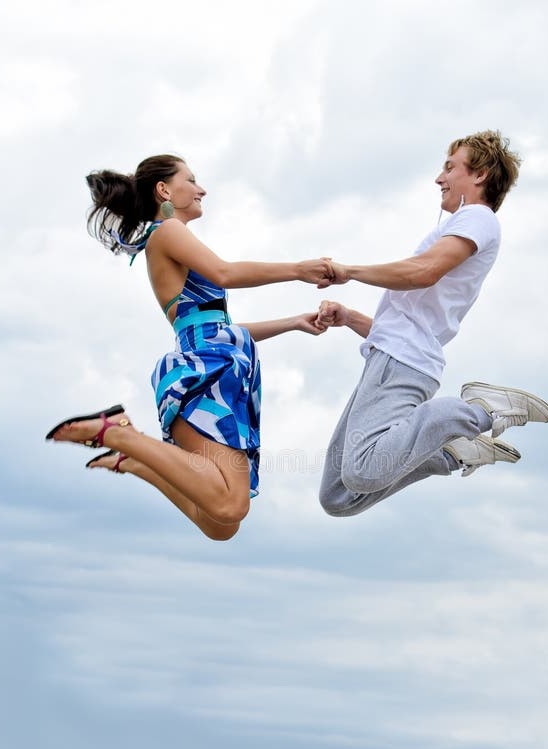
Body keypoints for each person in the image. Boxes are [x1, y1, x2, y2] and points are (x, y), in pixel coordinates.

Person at [46, 154, 334, 541]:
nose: (201, 189)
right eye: (192, 180)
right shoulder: (167, 231)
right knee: (231, 505)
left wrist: (293, 323)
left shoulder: (167, 237)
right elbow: (225, 273)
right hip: (207, 372)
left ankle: (136, 461)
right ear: (164, 190)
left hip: (212, 361)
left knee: (221, 524)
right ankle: (120, 434)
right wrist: (298, 270)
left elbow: (217, 329)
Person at [315, 130, 548, 517]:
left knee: (362, 471)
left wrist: (350, 271)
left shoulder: (478, 217)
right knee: (337, 496)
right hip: (393, 354)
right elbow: (412, 317)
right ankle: (450, 451)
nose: (439, 178)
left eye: (449, 167)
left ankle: (477, 411)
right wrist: (350, 318)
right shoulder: (462, 223)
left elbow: (424, 272)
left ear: (479, 175)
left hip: (401, 362)